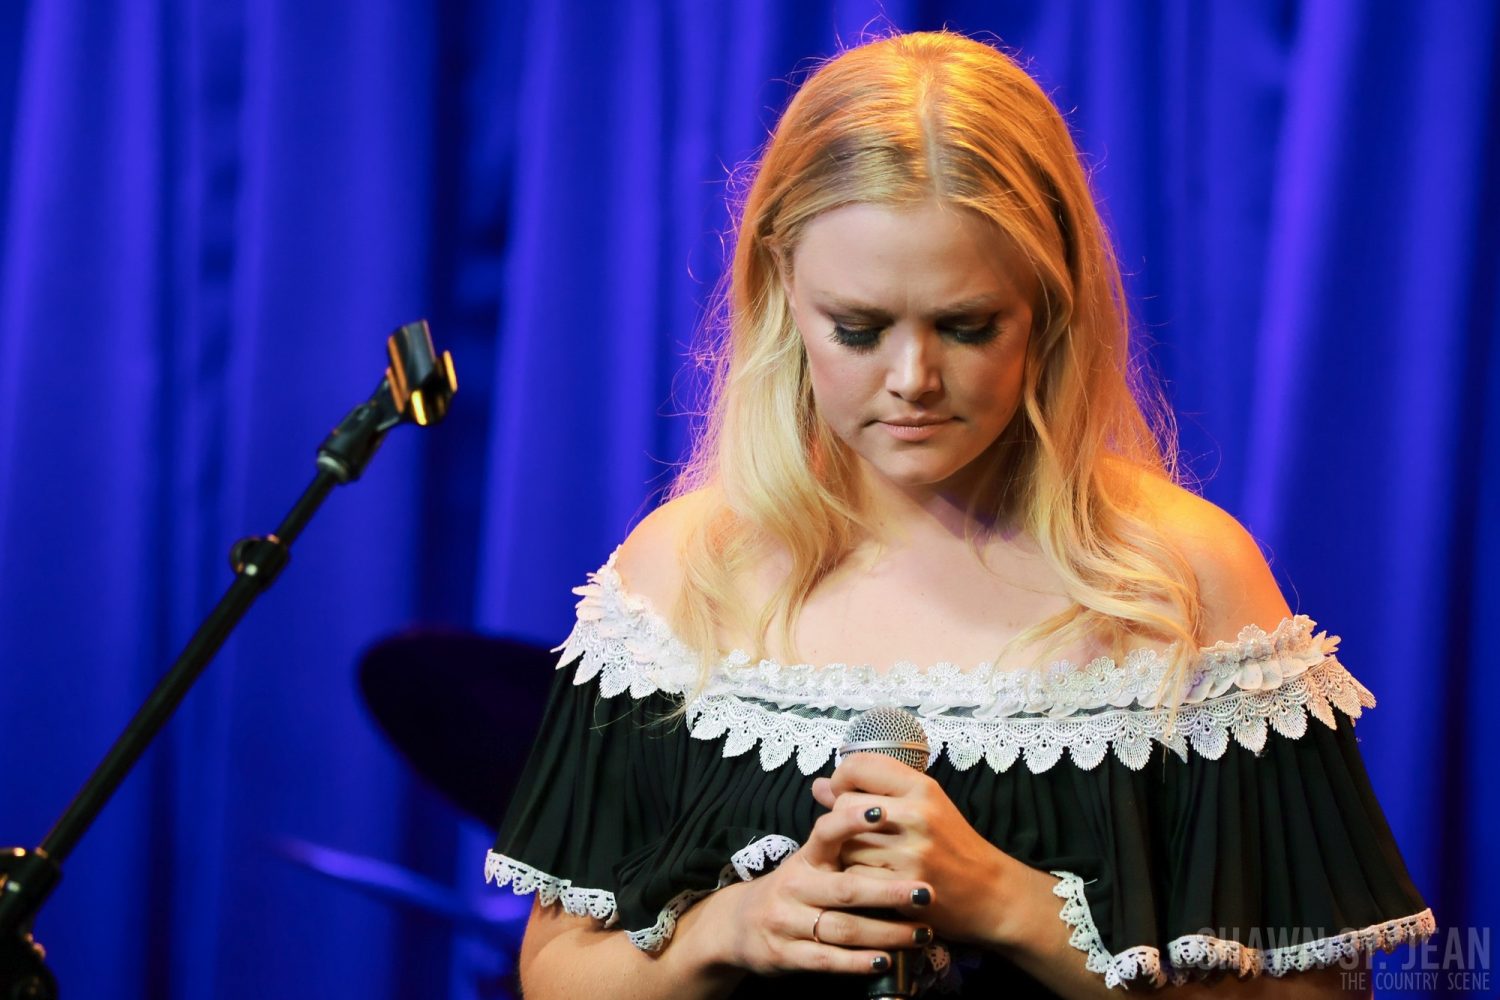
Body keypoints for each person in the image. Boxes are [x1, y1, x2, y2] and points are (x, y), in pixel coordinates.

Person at [485, 29, 1433, 998]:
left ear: (1051, 301)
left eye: (967, 326)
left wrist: (1014, 906)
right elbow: (558, 968)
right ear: (780, 294)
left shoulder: (1184, 579)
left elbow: (1321, 988)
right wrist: (730, 929)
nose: (912, 381)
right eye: (857, 329)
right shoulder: (685, 570)